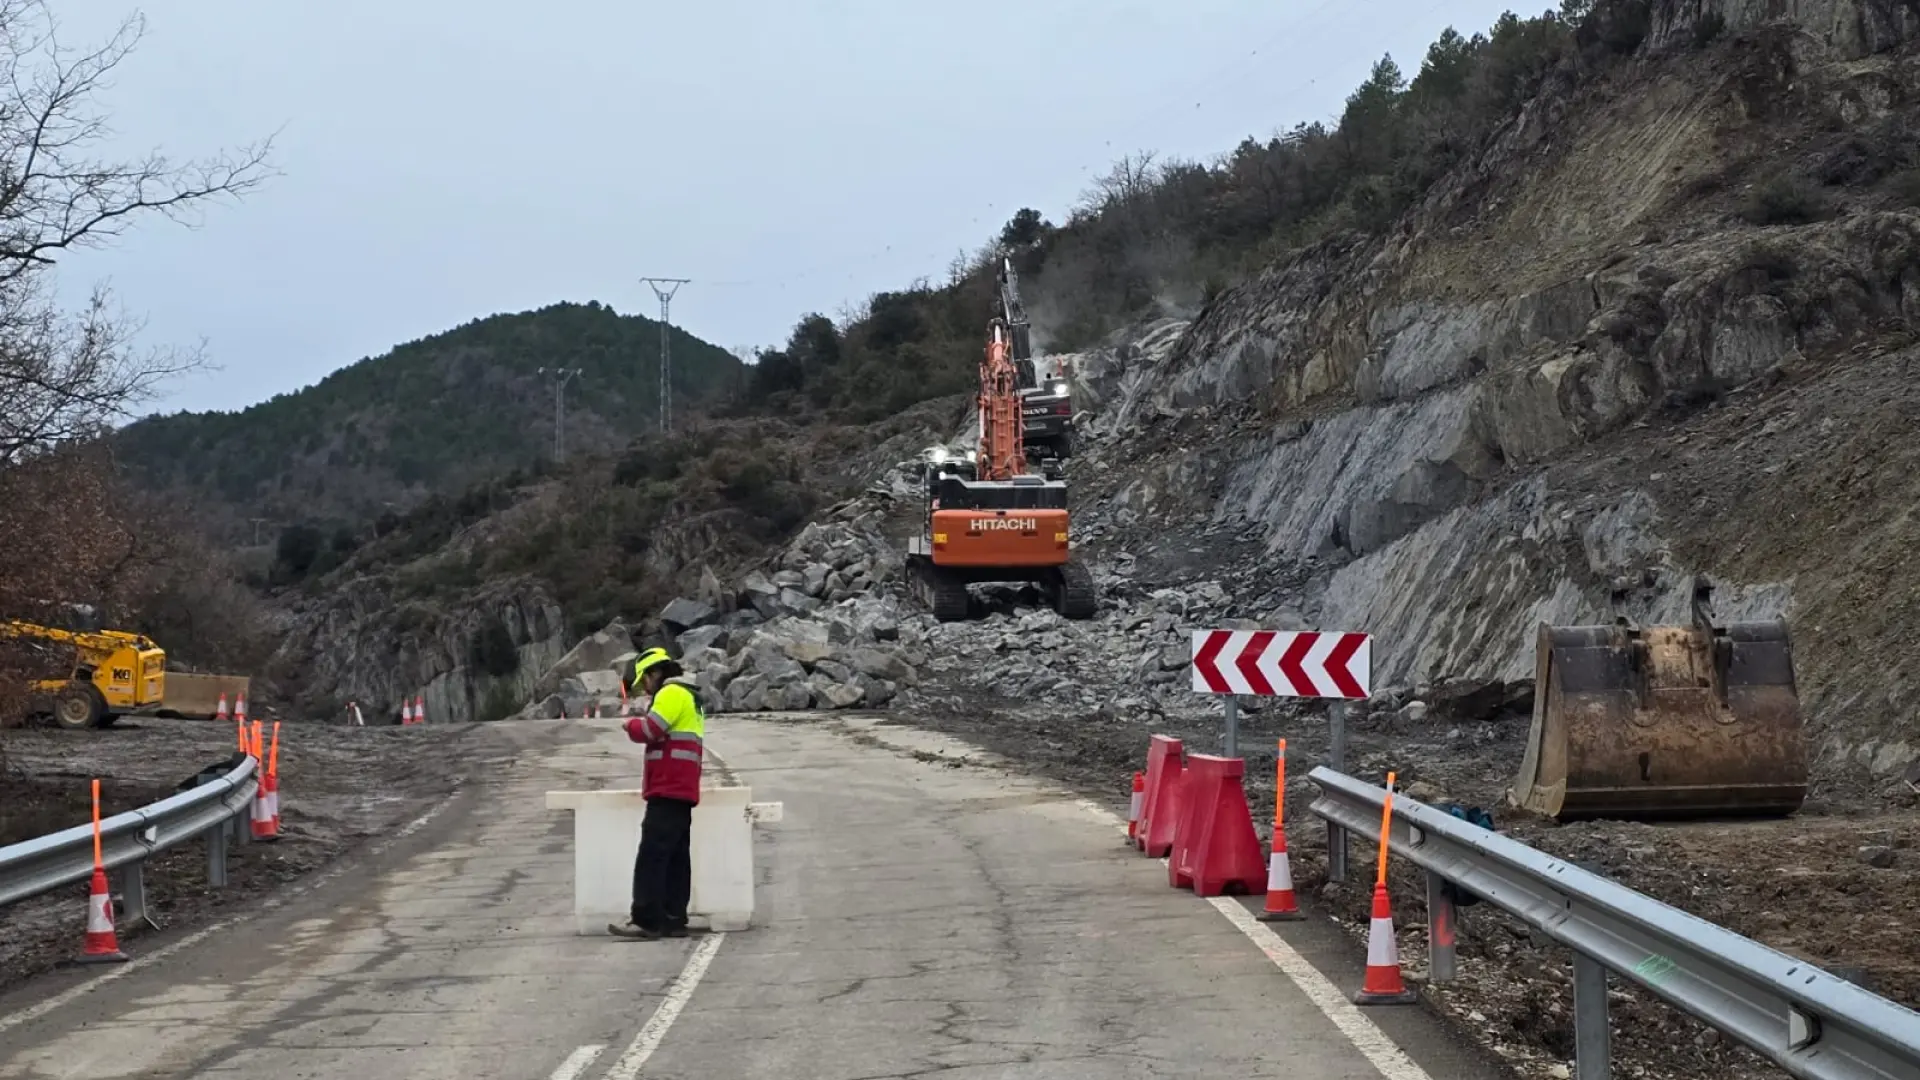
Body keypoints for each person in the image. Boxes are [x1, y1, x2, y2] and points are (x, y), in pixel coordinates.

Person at [609, 647, 706, 940]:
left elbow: (652, 730)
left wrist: (631, 725)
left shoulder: (671, 693)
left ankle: (647, 919)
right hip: (682, 787)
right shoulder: (688, 695)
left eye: (646, 680)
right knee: (676, 855)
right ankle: (674, 917)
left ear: (656, 673)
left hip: (668, 785)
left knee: (653, 853)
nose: (646, 687)